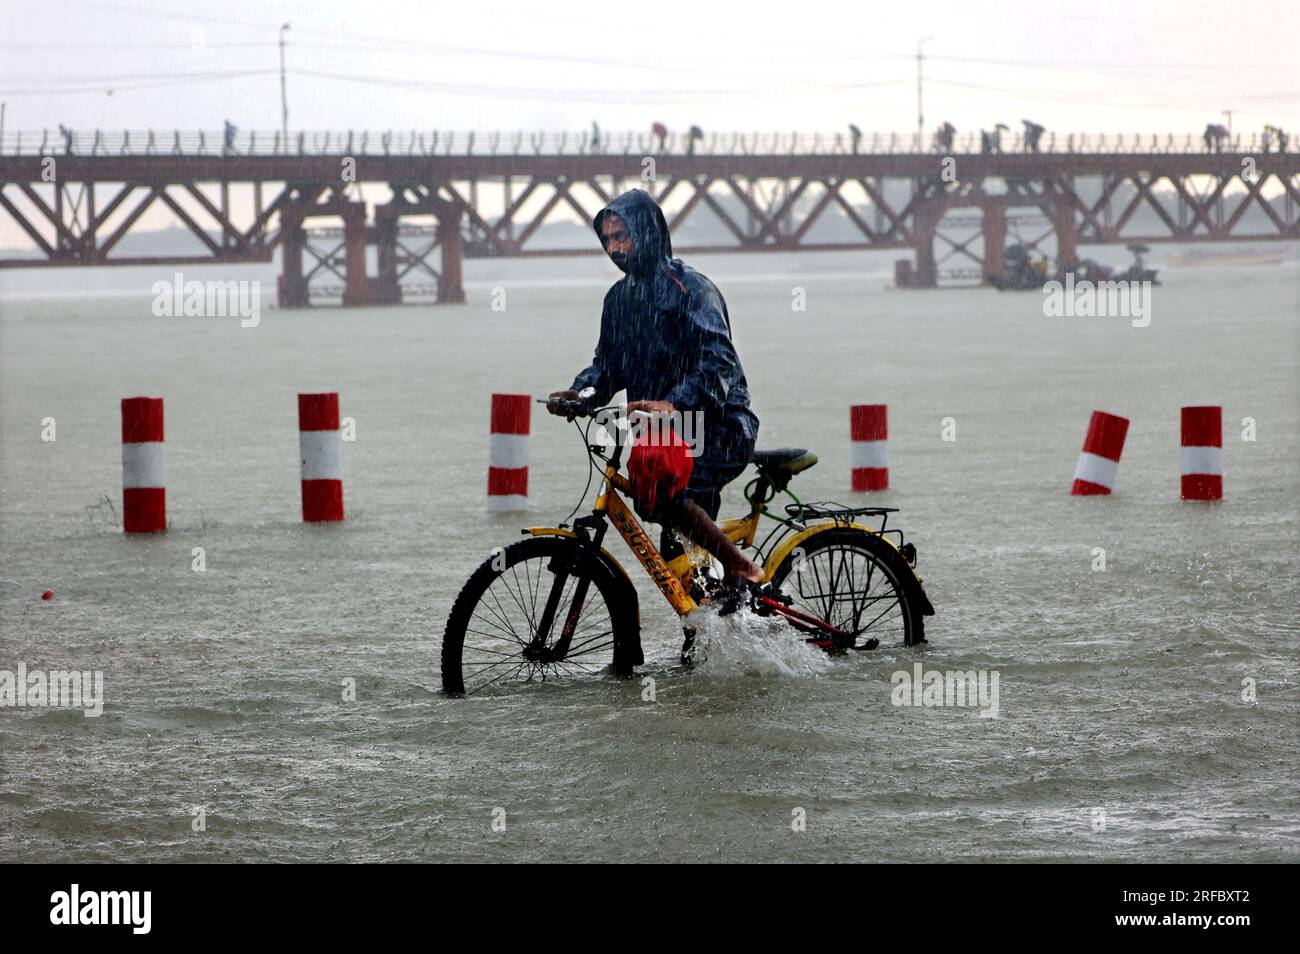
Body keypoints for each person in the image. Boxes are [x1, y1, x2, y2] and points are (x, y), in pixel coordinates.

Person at [547, 188, 764, 588]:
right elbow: (607, 369)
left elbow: (717, 361)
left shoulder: (692, 289)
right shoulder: (617, 300)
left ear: (648, 234)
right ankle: (714, 628)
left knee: (661, 494)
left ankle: (740, 566)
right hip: (663, 434)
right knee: (678, 563)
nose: (614, 248)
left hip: (719, 424)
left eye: (622, 236)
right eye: (607, 239)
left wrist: (676, 405)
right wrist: (582, 394)